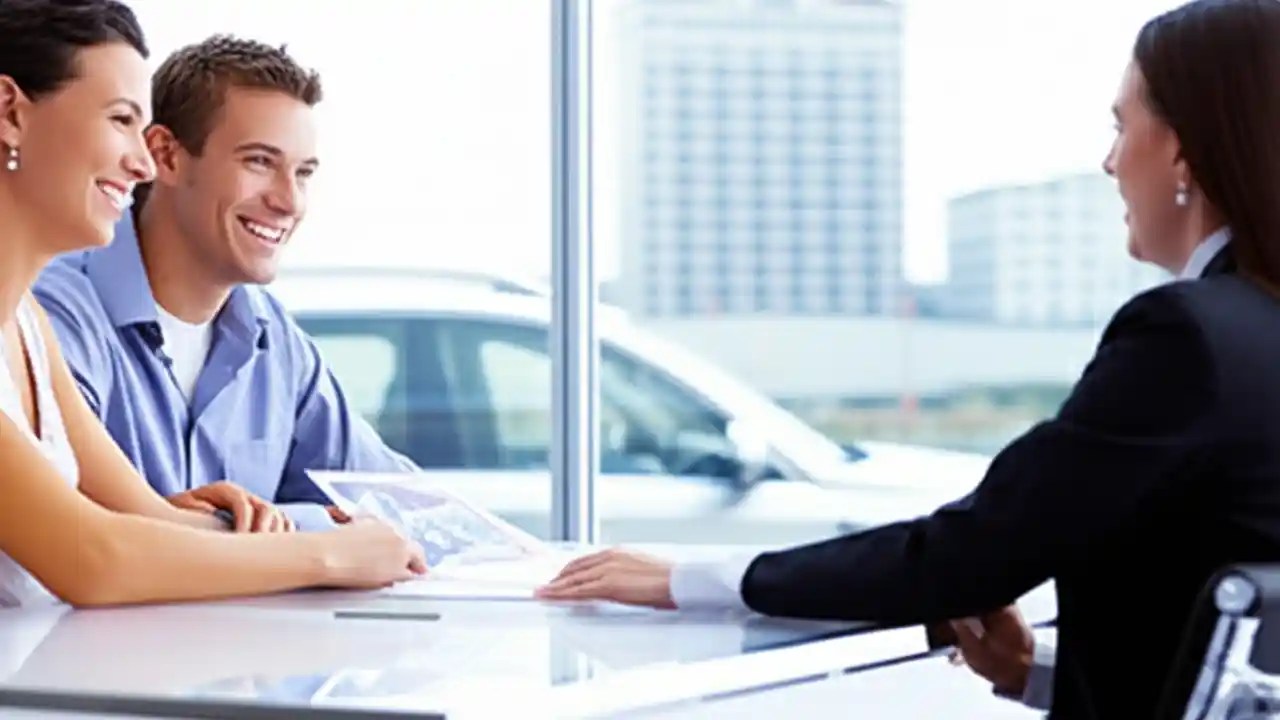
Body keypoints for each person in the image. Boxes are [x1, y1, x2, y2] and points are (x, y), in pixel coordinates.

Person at [536, 0, 1280, 716]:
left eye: (1122, 126)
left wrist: (689, 579)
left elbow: (970, 553)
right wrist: (1036, 673)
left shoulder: (1190, 340)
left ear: (1180, 148)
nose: (1109, 161)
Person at [0, 0, 425, 608]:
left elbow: (150, 518)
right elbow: (96, 558)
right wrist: (329, 553)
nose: (141, 161)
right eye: (120, 120)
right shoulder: (60, 310)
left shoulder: (26, 325)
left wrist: (257, 527)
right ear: (9, 111)